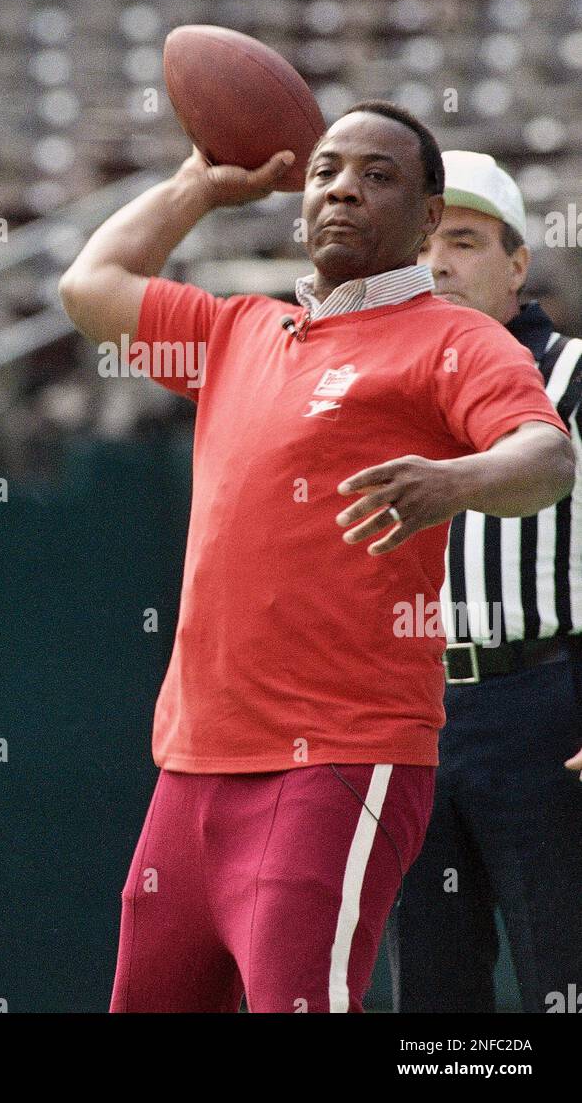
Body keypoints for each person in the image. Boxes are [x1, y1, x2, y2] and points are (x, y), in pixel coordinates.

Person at [58, 102, 575, 1013]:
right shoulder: (240, 332)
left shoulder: (454, 338)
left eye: (378, 176)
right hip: (193, 759)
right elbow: (91, 283)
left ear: (424, 221)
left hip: (339, 753)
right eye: (328, 169)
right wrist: (198, 185)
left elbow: (547, 455)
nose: (343, 188)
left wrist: (452, 484)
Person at [386, 150, 582, 1013]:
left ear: (516, 264)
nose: (437, 264)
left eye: (463, 241)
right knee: (432, 993)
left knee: (562, 973)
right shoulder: (379, 388)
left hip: (545, 700)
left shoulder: (574, 374)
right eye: (423, 243)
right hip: (411, 712)